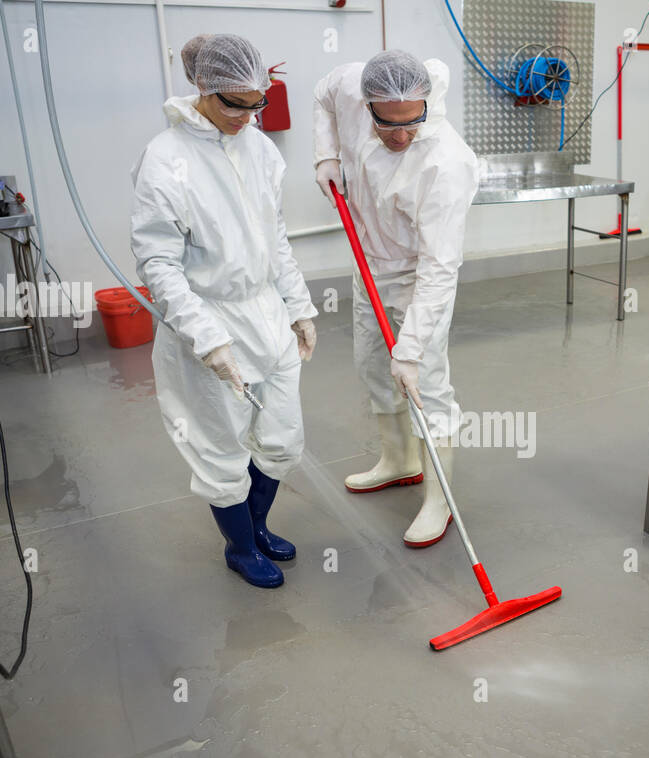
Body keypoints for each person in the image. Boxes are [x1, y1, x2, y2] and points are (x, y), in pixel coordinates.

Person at [132, 34, 318, 588]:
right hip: (207, 320)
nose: (246, 114)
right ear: (201, 88)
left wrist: (299, 305)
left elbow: (275, 236)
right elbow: (157, 263)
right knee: (221, 446)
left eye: (256, 101)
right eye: (233, 103)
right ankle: (239, 546)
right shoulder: (166, 159)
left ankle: (257, 526)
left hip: (265, 313)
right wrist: (207, 339)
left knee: (282, 439)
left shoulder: (260, 149)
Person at [312, 50, 479, 548]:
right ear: (367, 106)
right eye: (388, 124)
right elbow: (321, 95)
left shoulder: (445, 164)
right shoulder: (347, 86)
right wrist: (325, 154)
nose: (402, 136)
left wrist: (410, 349)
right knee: (370, 364)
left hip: (416, 277)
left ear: (426, 104)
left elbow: (440, 269)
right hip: (369, 267)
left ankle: (440, 498)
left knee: (424, 383)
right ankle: (398, 460)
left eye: (414, 122)